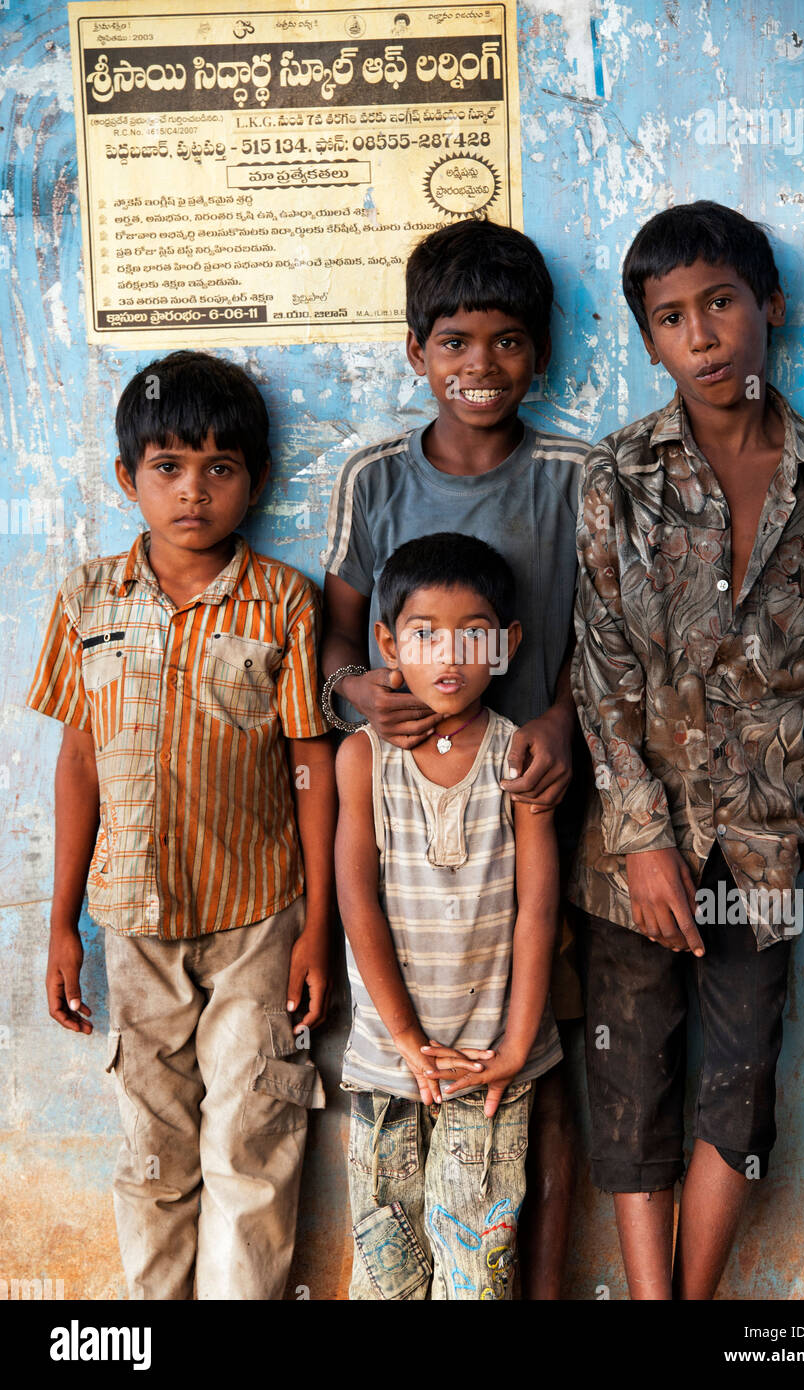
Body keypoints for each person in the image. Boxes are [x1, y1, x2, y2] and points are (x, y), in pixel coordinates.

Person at [570, 201, 804, 1300]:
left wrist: (789, 796)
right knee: (630, 1082)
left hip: (759, 865)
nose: (702, 335)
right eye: (672, 317)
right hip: (630, 863)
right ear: (651, 339)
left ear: (769, 307)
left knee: (742, 1089)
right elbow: (601, 666)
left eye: (720, 303)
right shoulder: (616, 477)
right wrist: (645, 838)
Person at [27, 350, 337, 1300]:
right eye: (167, 468)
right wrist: (60, 922)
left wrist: (315, 928)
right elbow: (79, 759)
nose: (192, 491)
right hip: (131, 921)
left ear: (255, 482)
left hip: (259, 920)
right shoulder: (88, 600)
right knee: (155, 1154)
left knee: (253, 1145)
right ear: (129, 480)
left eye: (219, 469)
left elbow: (310, 767)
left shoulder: (282, 601)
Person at [320, 218, 590, 1297]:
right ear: (415, 350)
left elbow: (610, 636)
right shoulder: (374, 478)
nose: (482, 367)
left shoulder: (576, 474)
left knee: (534, 1072)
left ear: (540, 351)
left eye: (509, 342)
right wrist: (357, 694)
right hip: (408, 810)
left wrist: (562, 723)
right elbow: (339, 636)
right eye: (456, 342)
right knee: (411, 1075)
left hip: (536, 801)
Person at [335, 532, 563, 1300]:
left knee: (477, 1257)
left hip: (490, 1063)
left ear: (506, 645)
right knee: (384, 1260)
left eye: (473, 632)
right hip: (385, 1062)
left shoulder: (516, 757)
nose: (449, 652)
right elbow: (354, 902)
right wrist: (404, 1037)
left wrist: (517, 1040)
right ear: (387, 643)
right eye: (425, 633)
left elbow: (537, 910)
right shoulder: (362, 758)